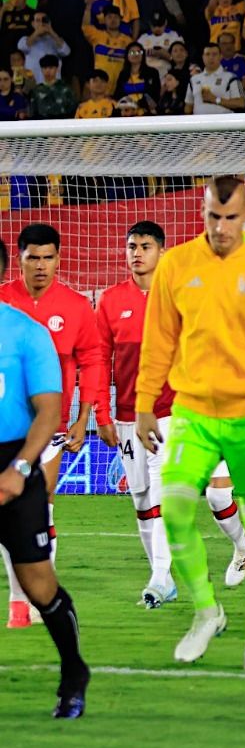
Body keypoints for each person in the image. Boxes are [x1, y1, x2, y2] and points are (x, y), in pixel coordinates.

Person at [132, 179, 245, 668]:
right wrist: (142, 403)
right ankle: (207, 611)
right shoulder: (177, 265)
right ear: (202, 213)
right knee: (175, 511)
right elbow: (159, 339)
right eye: (212, 217)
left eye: (230, 218)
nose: (220, 228)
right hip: (193, 414)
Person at [100, 221, 245, 609]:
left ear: (161, 252)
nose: (137, 252)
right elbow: (99, 358)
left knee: (180, 493)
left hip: (175, 412)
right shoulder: (112, 301)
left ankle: (162, 577)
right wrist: (102, 410)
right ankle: (167, 574)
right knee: (142, 500)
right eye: (131, 245)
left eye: (145, 246)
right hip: (127, 416)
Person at [0, 225, 110, 629]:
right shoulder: (3, 301)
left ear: (59, 259)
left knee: (38, 505)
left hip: (50, 427)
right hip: (5, 427)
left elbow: (93, 361)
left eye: (49, 258)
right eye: (34, 258)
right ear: (20, 259)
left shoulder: (77, 306)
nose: (41, 266)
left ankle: (23, 602)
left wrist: (87, 416)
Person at [0, 236, 88, 717]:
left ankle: (74, 671)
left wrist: (19, 469)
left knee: (39, 584)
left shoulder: (26, 333)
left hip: (15, 462)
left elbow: (49, 412)